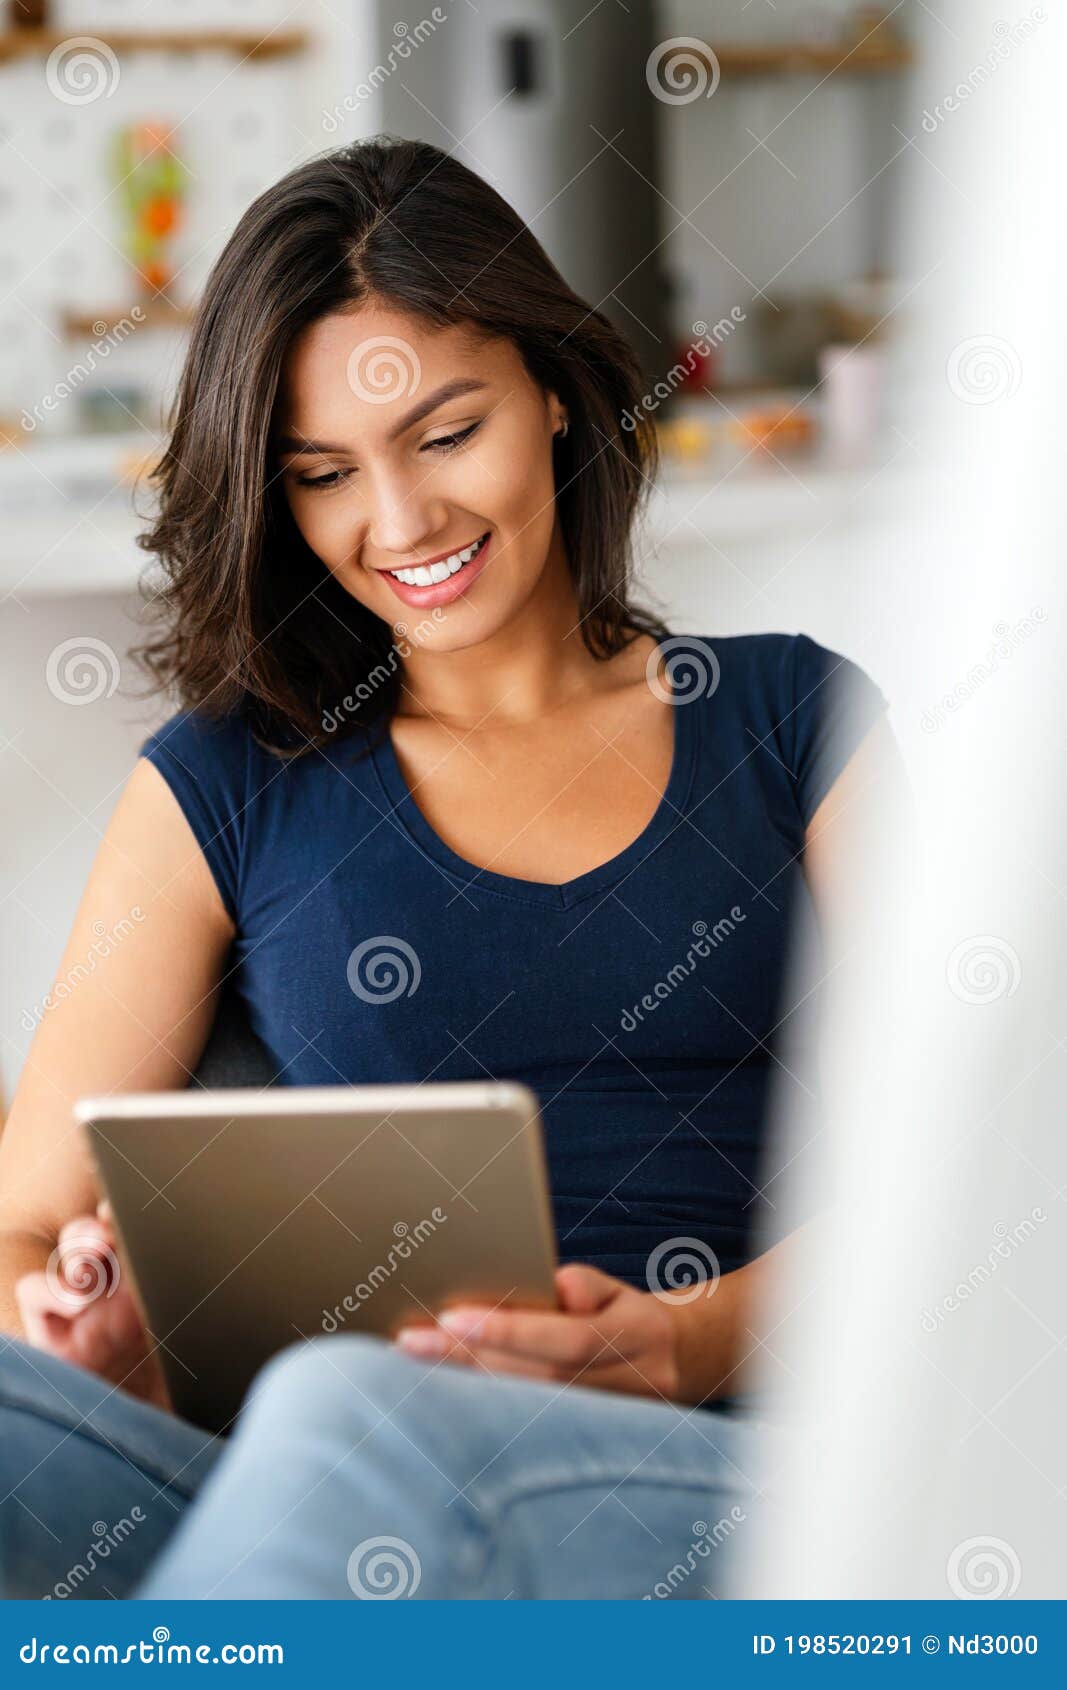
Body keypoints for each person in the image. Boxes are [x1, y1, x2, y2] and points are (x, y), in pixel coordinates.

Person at [0, 137, 902, 1600]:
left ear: (552, 391)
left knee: (355, 1411)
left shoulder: (797, 724)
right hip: (302, 1482)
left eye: (443, 430)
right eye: (323, 474)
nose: (401, 523)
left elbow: (1005, 1175)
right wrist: (80, 1331)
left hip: (736, 1469)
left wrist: (688, 1337)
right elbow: (22, 1224)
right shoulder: (224, 781)